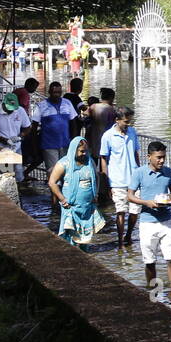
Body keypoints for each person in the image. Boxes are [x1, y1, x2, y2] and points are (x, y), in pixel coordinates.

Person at [129, 141, 171, 287]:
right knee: (150, 261)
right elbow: (130, 196)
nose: (162, 160)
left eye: (163, 157)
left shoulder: (169, 172)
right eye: (158, 157)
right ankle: (152, 291)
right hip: (147, 222)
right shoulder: (139, 173)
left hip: (167, 221)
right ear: (149, 157)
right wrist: (147, 203)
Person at [47, 136, 104, 245]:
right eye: (82, 151)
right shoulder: (64, 163)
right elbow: (52, 182)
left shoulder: (89, 161)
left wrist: (95, 193)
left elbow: (96, 177)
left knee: (85, 239)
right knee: (70, 238)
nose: (84, 154)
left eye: (86, 151)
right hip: (71, 207)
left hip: (87, 208)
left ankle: (85, 256)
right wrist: (62, 199)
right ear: (74, 150)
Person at [100, 106, 141, 245]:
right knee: (120, 211)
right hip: (117, 181)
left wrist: (139, 173)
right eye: (125, 122)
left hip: (134, 179)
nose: (128, 124)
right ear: (117, 120)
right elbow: (103, 158)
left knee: (135, 211)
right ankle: (119, 240)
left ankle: (128, 235)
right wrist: (106, 181)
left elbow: (136, 153)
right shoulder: (108, 136)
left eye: (129, 121)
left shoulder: (132, 132)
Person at [37, 82, 80, 203]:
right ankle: (54, 199)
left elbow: (74, 122)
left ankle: (66, 198)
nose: (57, 95)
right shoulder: (41, 106)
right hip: (49, 145)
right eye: (54, 92)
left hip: (65, 144)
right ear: (49, 92)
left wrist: (75, 140)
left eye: (59, 92)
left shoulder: (67, 103)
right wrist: (35, 146)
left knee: (66, 171)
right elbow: (34, 125)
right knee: (52, 172)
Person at [0, 93, 32, 183]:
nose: (11, 111)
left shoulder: (20, 111)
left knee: (19, 172)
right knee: (6, 174)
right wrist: (3, 140)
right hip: (2, 148)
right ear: (4, 104)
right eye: (9, 109)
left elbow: (28, 127)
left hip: (16, 147)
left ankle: (19, 188)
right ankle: (7, 191)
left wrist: (21, 136)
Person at [85, 88, 117, 200]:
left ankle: (93, 189)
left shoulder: (93, 107)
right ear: (111, 98)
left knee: (92, 166)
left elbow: (84, 116)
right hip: (107, 141)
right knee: (105, 167)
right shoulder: (112, 110)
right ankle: (104, 190)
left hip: (93, 139)